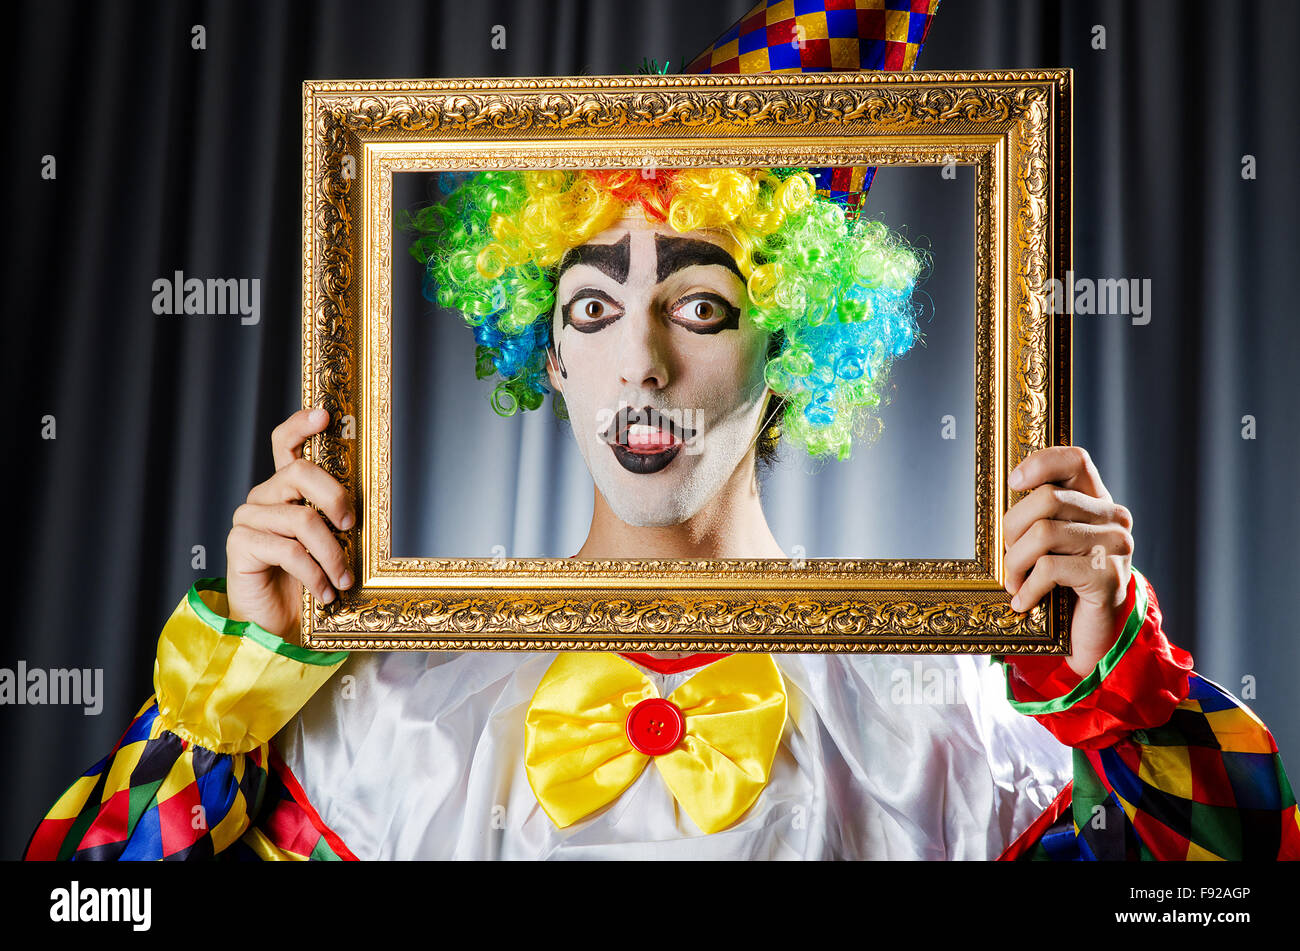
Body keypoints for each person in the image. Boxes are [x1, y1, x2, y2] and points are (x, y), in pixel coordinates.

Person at [24, 0, 1300, 861]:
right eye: (591, 305)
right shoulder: (386, 713)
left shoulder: (960, 717)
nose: (639, 357)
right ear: (550, 353)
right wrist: (232, 681)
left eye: (698, 303)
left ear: (794, 339)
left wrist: (1127, 692)